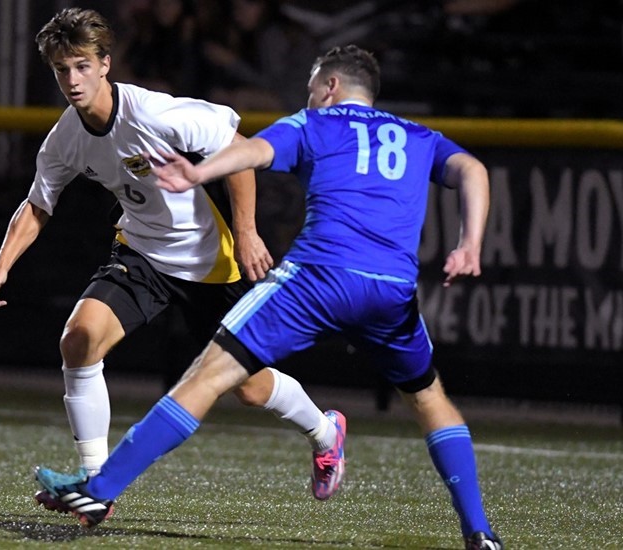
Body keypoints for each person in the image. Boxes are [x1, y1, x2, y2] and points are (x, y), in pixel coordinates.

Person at [34, 45, 503, 550]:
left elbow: (253, 151)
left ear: (330, 88)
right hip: (390, 290)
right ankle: (479, 531)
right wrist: (469, 243)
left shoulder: (315, 124)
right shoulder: (418, 137)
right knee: (430, 397)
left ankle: (100, 489)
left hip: (317, 280)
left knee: (205, 376)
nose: (310, 97)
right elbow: (472, 170)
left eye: (311, 90)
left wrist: (197, 172)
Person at [0, 7, 346, 510]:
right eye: (62, 69)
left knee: (252, 390)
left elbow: (238, 149)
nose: (72, 79)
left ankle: (326, 436)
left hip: (211, 265)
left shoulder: (153, 113)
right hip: (141, 255)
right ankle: (94, 487)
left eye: (82, 65)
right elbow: (38, 203)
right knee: (79, 339)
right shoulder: (65, 137)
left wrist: (246, 232)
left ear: (106, 63)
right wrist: (2, 265)